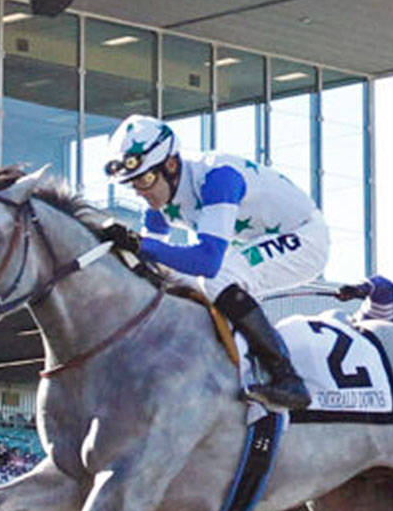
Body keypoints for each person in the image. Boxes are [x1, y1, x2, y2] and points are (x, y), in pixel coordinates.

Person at [103, 115, 329, 410]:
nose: (141, 192)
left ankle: (287, 378)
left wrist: (141, 245)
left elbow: (207, 261)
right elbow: (150, 265)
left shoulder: (218, 178)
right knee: (180, 280)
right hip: (251, 242)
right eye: (133, 184)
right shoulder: (157, 202)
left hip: (304, 236)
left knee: (217, 277)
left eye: (145, 180)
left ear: (170, 165)